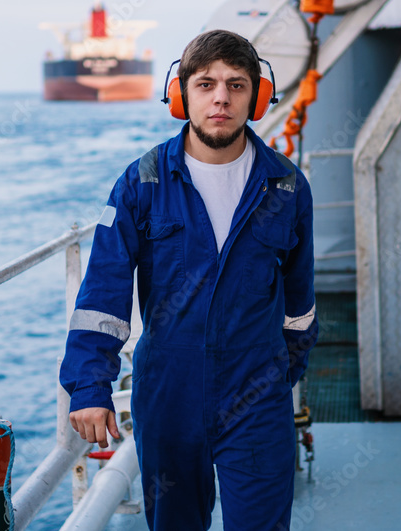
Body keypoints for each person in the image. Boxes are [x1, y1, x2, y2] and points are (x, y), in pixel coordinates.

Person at [60, 29, 317, 531]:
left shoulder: (285, 186)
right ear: (182, 95)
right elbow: (103, 295)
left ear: (257, 97)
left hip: (257, 396)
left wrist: (277, 373)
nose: (221, 97)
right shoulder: (143, 182)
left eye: (236, 85)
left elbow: (299, 304)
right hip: (169, 395)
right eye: (206, 84)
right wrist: (90, 386)